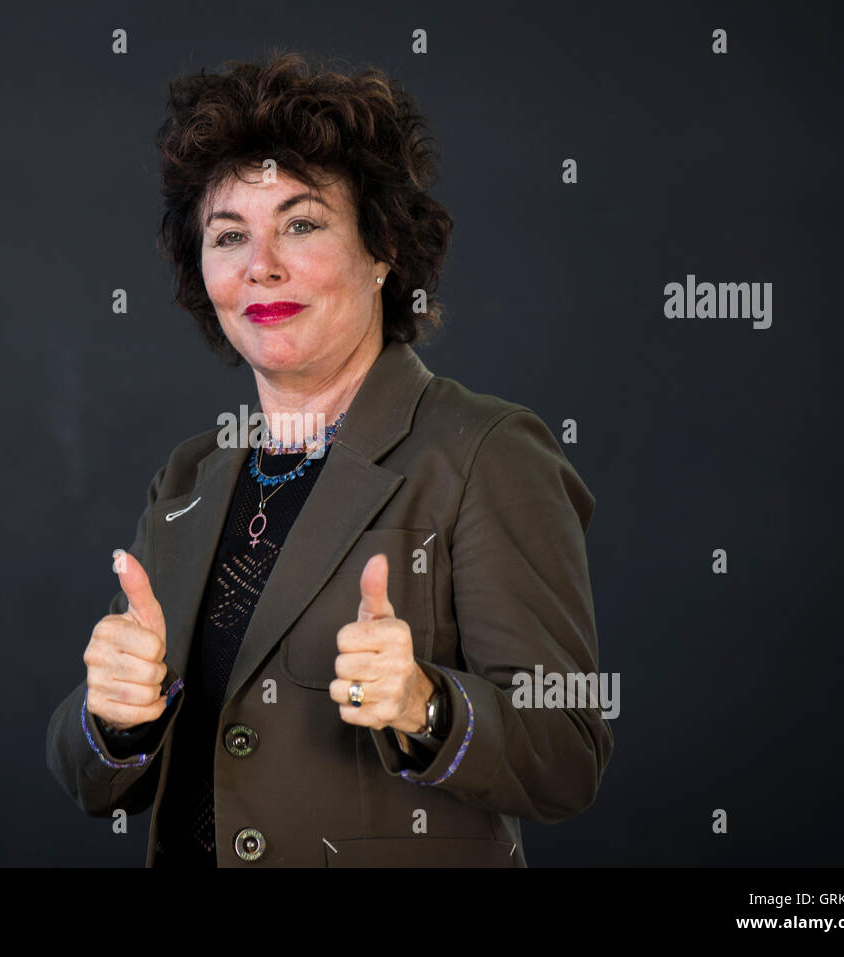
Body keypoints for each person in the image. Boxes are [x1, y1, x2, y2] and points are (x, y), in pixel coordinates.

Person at [46, 51, 613, 867]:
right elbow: (84, 773)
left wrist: (427, 706)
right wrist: (111, 716)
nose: (260, 265)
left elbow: (568, 753)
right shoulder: (189, 476)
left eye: (301, 223)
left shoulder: (486, 450)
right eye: (229, 234)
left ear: (382, 251)